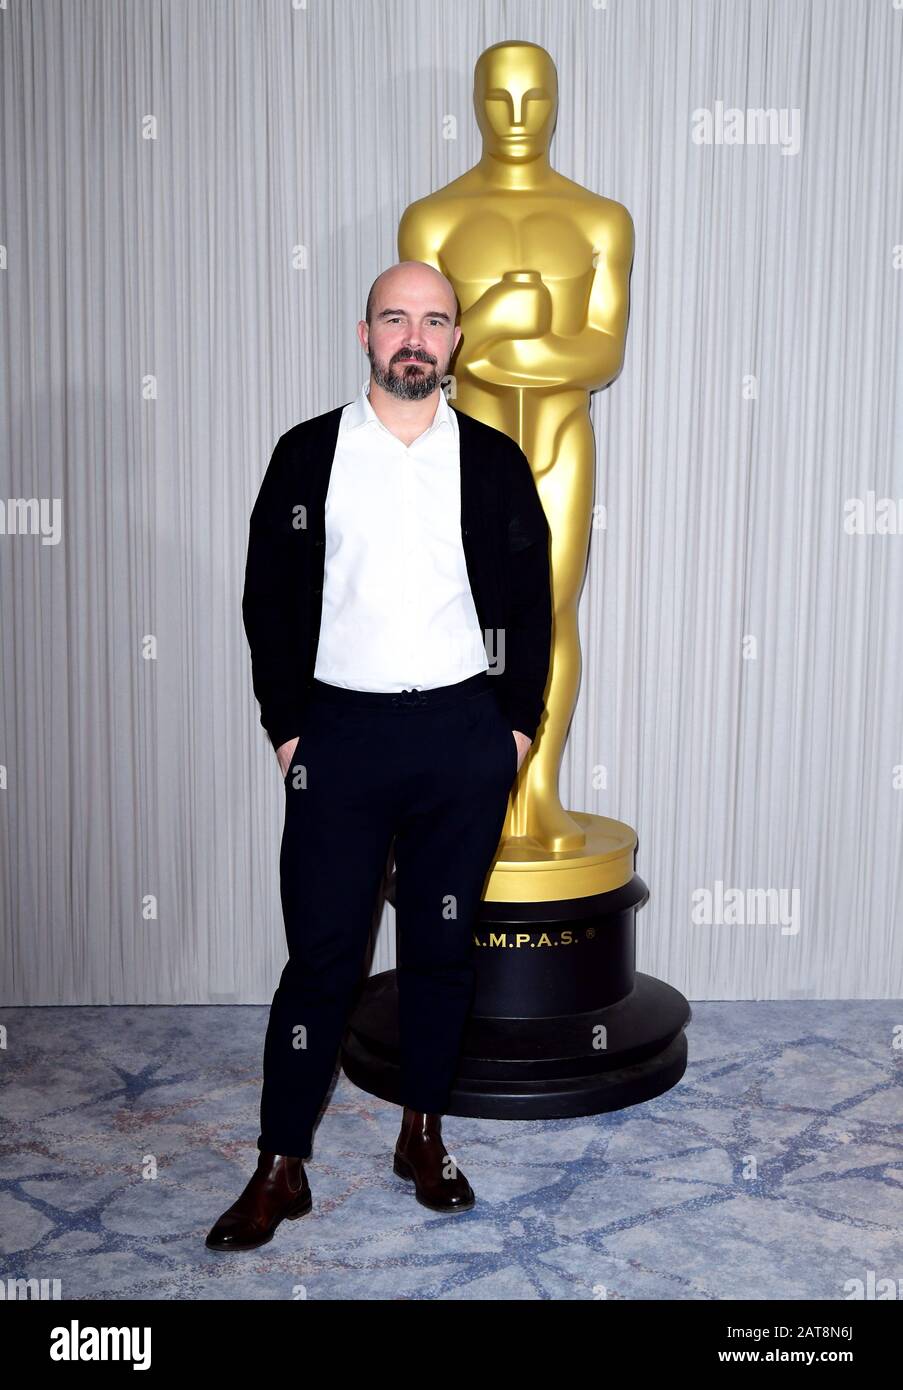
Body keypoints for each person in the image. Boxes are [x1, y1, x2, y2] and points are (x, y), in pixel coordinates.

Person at [206, 261, 552, 1251]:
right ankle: (282, 1162)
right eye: (395, 318)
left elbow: (531, 609)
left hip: (458, 740)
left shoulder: (490, 462)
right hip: (341, 741)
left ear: (455, 341)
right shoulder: (308, 455)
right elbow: (266, 602)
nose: (415, 336)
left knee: (440, 952)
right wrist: (289, 730)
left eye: (433, 320)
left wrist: (513, 730)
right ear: (365, 334)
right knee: (322, 957)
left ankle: (422, 1134)